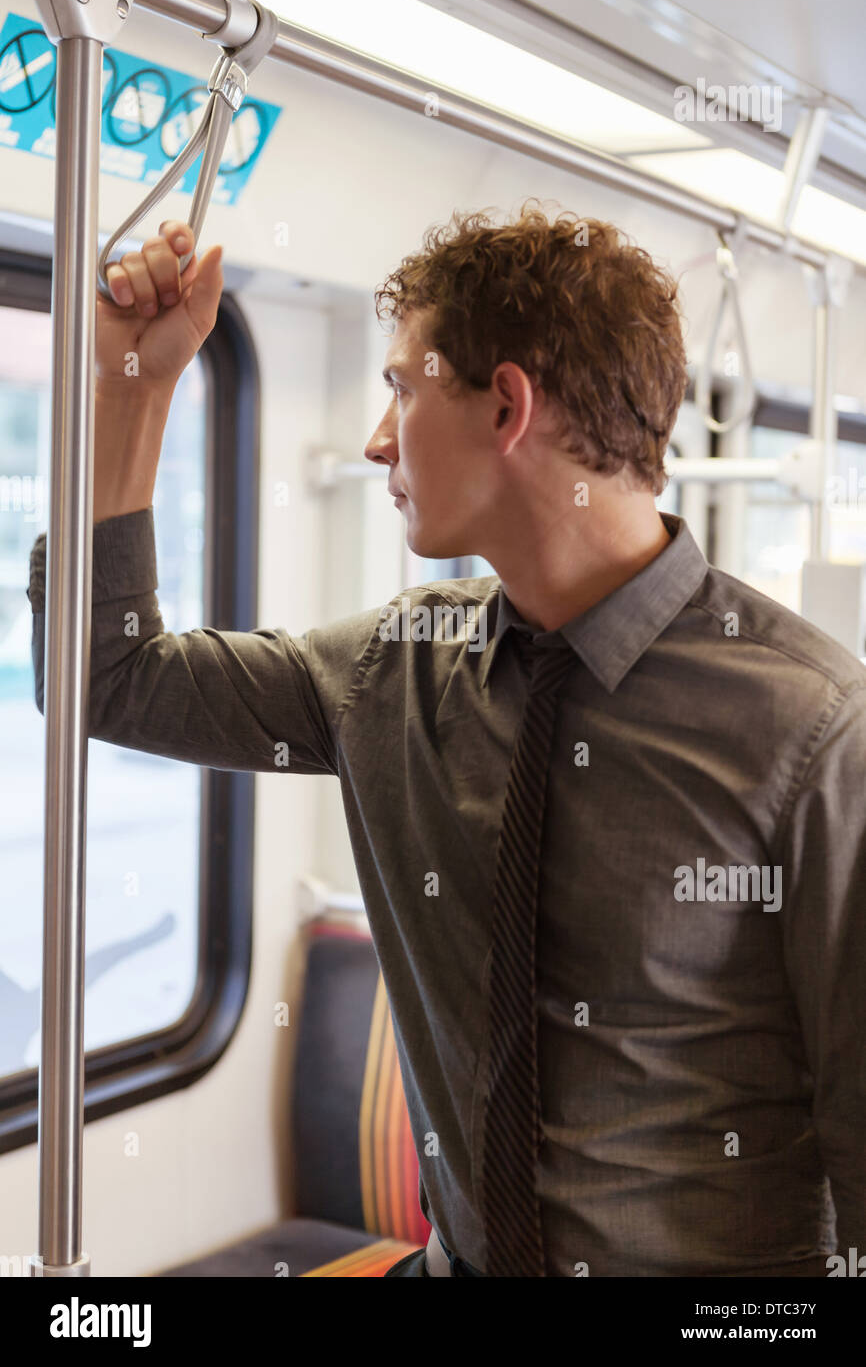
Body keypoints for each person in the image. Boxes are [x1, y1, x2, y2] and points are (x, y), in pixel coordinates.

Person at [28, 201, 866, 1277]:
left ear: (505, 405)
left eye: (400, 390)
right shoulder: (393, 670)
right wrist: (130, 390)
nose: (378, 438)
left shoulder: (810, 725)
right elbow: (107, 674)